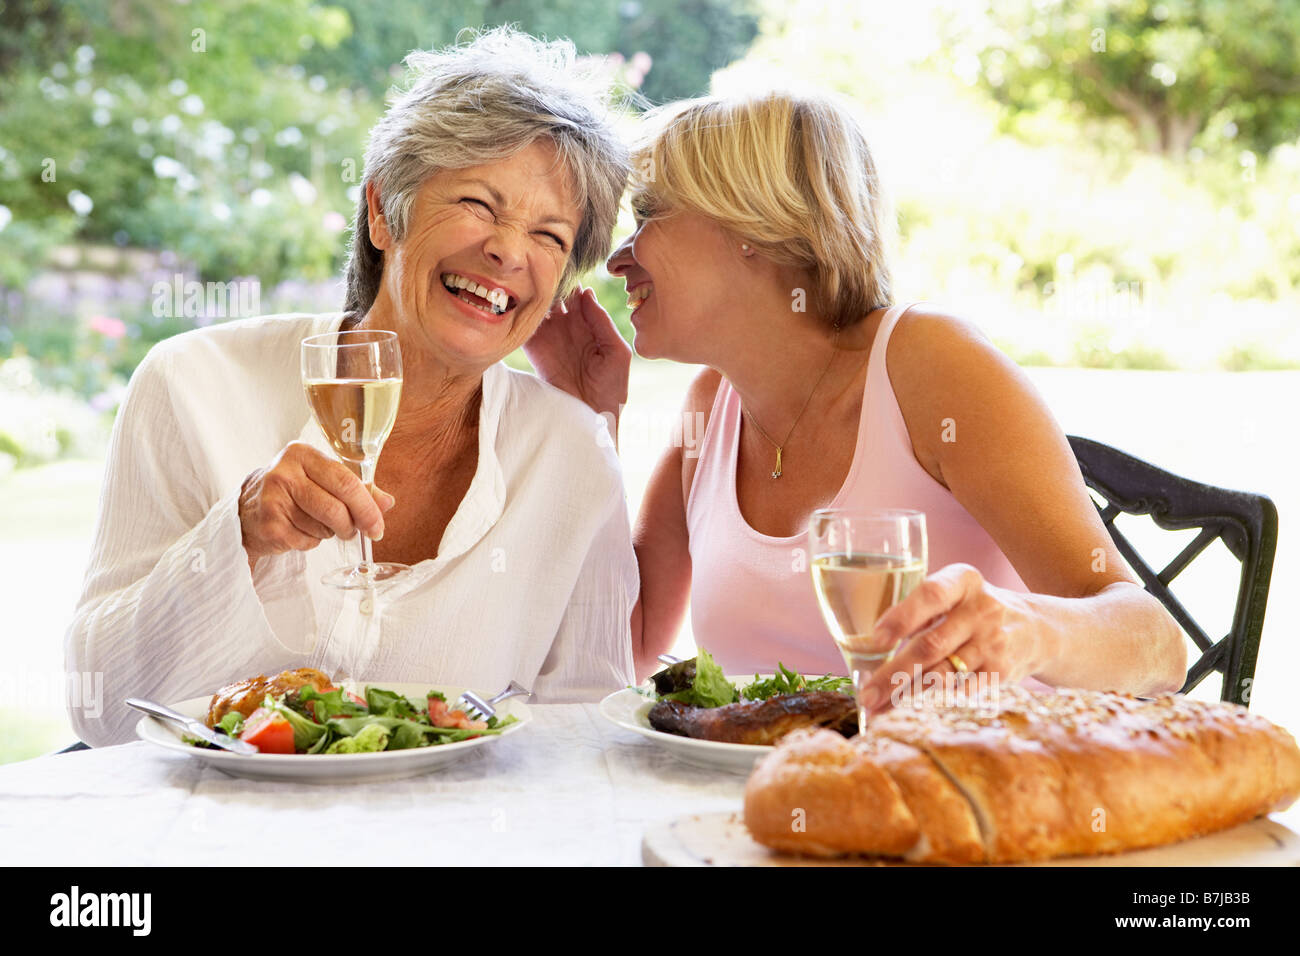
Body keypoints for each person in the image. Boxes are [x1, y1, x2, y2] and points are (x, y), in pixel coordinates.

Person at [524, 88, 1187, 712]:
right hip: (769, 813)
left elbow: (1156, 643)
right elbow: (629, 646)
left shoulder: (930, 368)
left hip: (963, 802)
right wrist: (586, 421)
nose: (619, 259)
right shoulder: (711, 402)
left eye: (649, 216)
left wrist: (1030, 628)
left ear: (750, 223)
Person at [65, 28, 637, 746]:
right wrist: (234, 537)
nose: (508, 250)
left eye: (551, 236)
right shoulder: (192, 384)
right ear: (381, 212)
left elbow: (584, 730)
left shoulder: (573, 454)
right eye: (479, 204)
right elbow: (98, 709)